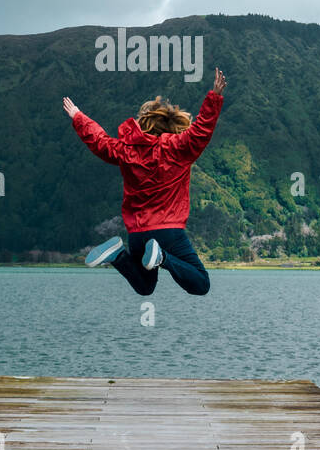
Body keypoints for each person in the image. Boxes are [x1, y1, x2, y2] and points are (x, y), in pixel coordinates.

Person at [63, 68, 227, 296]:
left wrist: (79, 116)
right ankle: (162, 257)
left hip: (138, 234)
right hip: (168, 231)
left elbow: (100, 142)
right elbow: (202, 130)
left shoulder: (126, 150)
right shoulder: (179, 148)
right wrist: (215, 96)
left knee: (145, 287)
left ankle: (119, 255)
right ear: (171, 126)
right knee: (201, 284)